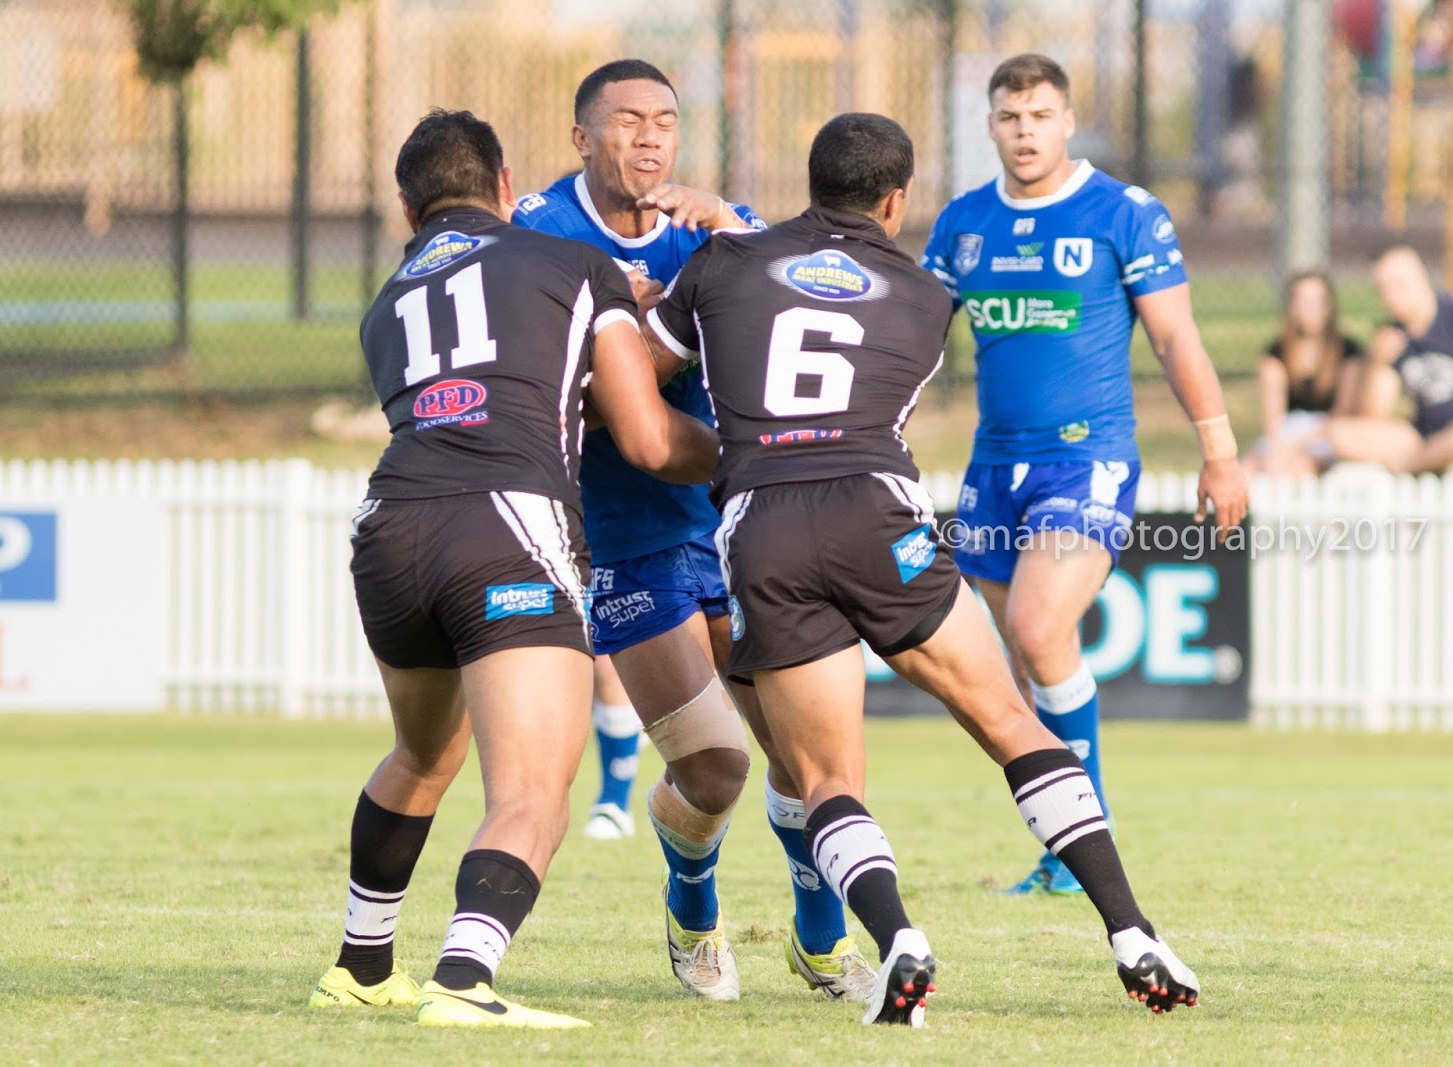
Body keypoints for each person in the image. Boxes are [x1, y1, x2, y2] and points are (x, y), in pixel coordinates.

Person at [645, 110, 1201, 1027]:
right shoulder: (923, 298)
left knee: (826, 779)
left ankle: (897, 935)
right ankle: (1131, 928)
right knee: (1006, 717)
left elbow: (645, 361)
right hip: (880, 515)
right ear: (896, 201)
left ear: (809, 178)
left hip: (765, 525)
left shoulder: (719, 266)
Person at [307, 108, 718, 1029]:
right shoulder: (571, 264)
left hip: (388, 527)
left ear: (406, 214)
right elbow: (649, 438)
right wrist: (738, 453)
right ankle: (464, 974)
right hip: (507, 526)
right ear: (505, 188)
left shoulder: (387, 304)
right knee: (531, 791)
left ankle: (362, 966)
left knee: (422, 753)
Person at [513, 58, 876, 1001]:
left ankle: (820, 935)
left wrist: (741, 234)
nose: (649, 138)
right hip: (629, 534)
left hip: (740, 524)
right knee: (715, 769)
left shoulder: (717, 230)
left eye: (665, 122)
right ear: (582, 137)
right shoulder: (539, 237)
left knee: (808, 761)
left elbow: (803, 320)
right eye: (627, 121)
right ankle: (691, 897)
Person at [922, 54, 1248, 897]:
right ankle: (1064, 845)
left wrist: (1220, 452)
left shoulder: (1123, 213)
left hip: (1088, 457)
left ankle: (1086, 832)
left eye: (1039, 115)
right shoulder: (962, 223)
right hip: (995, 467)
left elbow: (1177, 340)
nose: (1024, 131)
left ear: (1068, 122)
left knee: (1037, 626)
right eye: (1008, 116)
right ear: (989, 126)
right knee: (1025, 671)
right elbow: (915, 345)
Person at [1320, 246, 1453, 474]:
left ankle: (1413, 465)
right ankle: (1442, 460)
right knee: (1340, 434)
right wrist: (1377, 364)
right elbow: (1374, 416)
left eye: (1398, 285)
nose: (1391, 296)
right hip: (1424, 434)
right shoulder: (1392, 337)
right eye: (1383, 289)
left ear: (1422, 276)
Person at [1243, 272, 1364, 476]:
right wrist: (1281, 448)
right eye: (1303, 302)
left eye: (1317, 302)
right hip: (1289, 432)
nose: (1310, 309)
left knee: (1299, 468)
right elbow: (1273, 420)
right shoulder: (1276, 354)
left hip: (1328, 434)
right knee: (1248, 467)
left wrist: (1298, 446)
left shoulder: (1348, 352)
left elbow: (1343, 413)